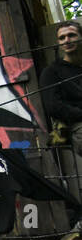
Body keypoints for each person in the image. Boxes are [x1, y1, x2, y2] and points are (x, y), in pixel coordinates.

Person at [41, 19, 82, 155]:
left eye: (72, 35)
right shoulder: (51, 72)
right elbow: (54, 107)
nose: (67, 40)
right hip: (75, 124)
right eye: (62, 38)